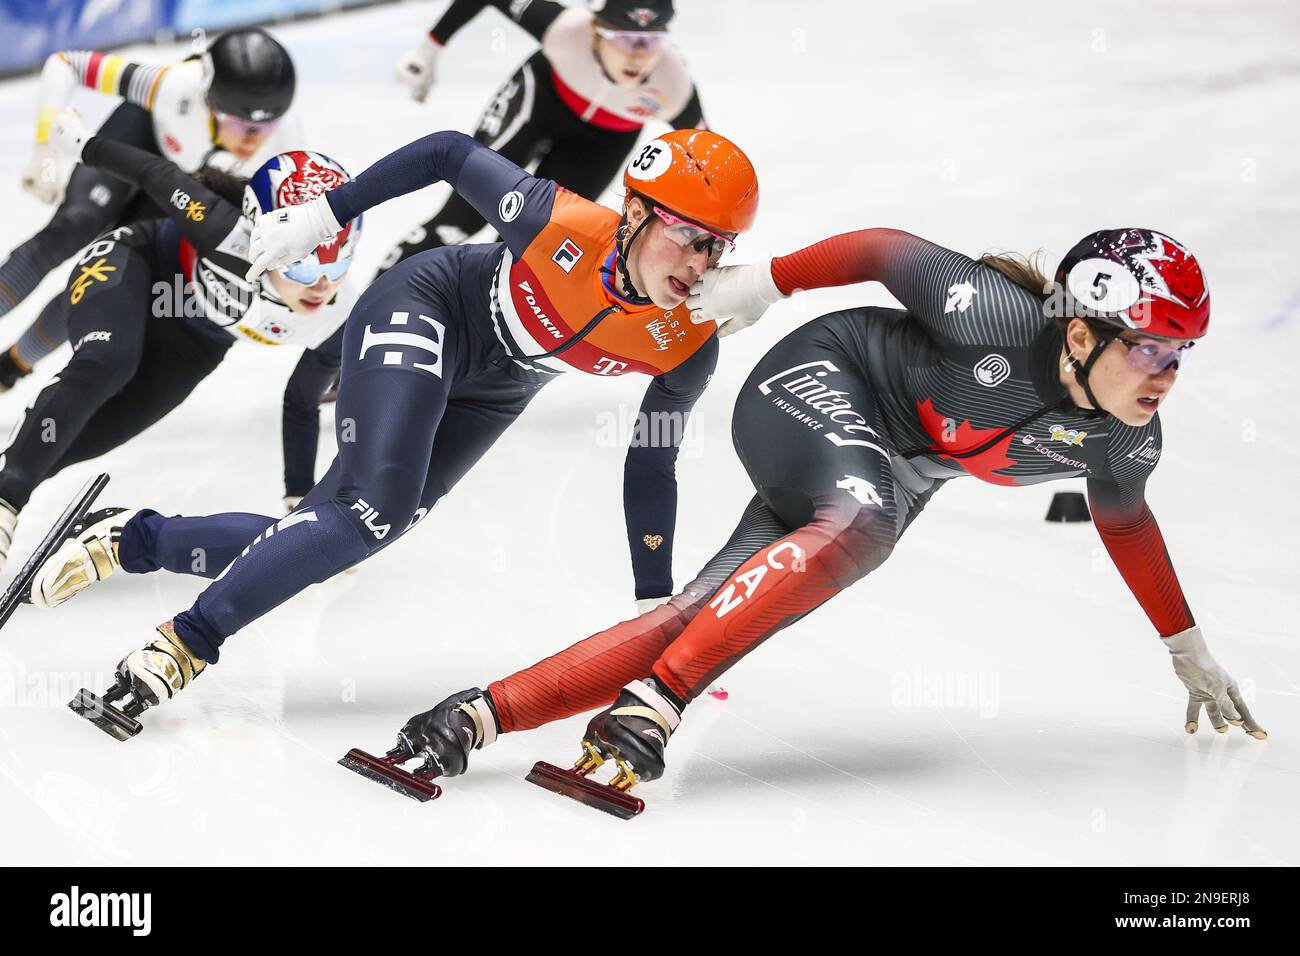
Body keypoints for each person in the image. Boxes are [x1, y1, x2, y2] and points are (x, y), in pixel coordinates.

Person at [371, 226, 1268, 792]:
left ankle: (475, 715)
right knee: (865, 525)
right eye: (1151, 348)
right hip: (821, 381)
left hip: (888, 473)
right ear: (1080, 332)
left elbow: (1126, 526)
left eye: (1182, 352)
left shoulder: (1124, 441)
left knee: (707, 614)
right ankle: (660, 702)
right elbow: (880, 249)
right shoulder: (994, 316)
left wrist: (1184, 647)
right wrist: (766, 283)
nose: (1168, 375)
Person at [35, 127, 759, 738]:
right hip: (432, 305)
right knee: (369, 510)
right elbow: (447, 152)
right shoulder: (554, 219)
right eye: (688, 237)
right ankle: (183, 645)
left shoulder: (689, 340)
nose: (699, 265)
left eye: (718, 248)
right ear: (635, 214)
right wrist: (327, 214)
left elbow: (651, 462)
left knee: (344, 533)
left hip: (500, 388)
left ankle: (133, 539)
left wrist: (652, 599)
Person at [0, 109, 359, 570]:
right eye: (304, 266)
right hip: (138, 266)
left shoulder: (336, 321)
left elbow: (303, 401)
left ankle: (15, 472)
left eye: (339, 263)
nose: (321, 285)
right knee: (107, 363)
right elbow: (155, 173)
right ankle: (8, 497)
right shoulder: (225, 230)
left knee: (88, 436)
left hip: (199, 339)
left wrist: (298, 499)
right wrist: (78, 141)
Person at [0, 28, 297, 389]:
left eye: (266, 126)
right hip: (138, 140)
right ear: (210, 102)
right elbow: (66, 64)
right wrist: (45, 148)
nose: (254, 140)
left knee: (103, 275)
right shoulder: (170, 86)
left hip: (182, 184)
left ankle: (11, 366)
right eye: (241, 124)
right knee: (71, 229)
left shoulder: (285, 142)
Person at [382, 0, 702, 274]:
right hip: (539, 102)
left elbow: (707, 168)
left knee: (529, 242)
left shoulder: (673, 84)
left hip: (603, 142)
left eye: (653, 40)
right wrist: (428, 50)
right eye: (623, 39)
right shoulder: (564, 28)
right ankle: (376, 293)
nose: (639, 55)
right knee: (462, 218)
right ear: (593, 29)